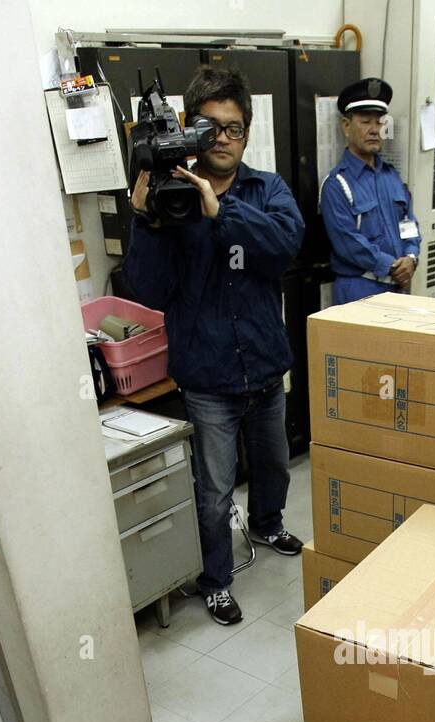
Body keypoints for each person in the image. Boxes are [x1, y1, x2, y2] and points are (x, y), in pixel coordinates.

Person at [126, 65, 305, 626]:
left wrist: (220, 210)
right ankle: (216, 579)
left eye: (234, 128)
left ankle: (268, 524)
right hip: (206, 376)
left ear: (246, 134)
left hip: (265, 364)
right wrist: (145, 220)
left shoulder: (266, 188)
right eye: (211, 127)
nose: (223, 139)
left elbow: (284, 246)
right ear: (191, 130)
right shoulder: (168, 196)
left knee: (275, 468)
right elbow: (149, 290)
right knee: (213, 490)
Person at [319, 78, 421, 305]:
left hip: (397, 287)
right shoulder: (337, 184)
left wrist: (411, 258)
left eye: (379, 122)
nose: (374, 130)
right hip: (359, 289)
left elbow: (409, 223)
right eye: (365, 122)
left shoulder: (391, 176)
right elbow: (348, 243)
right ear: (346, 126)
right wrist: (393, 266)